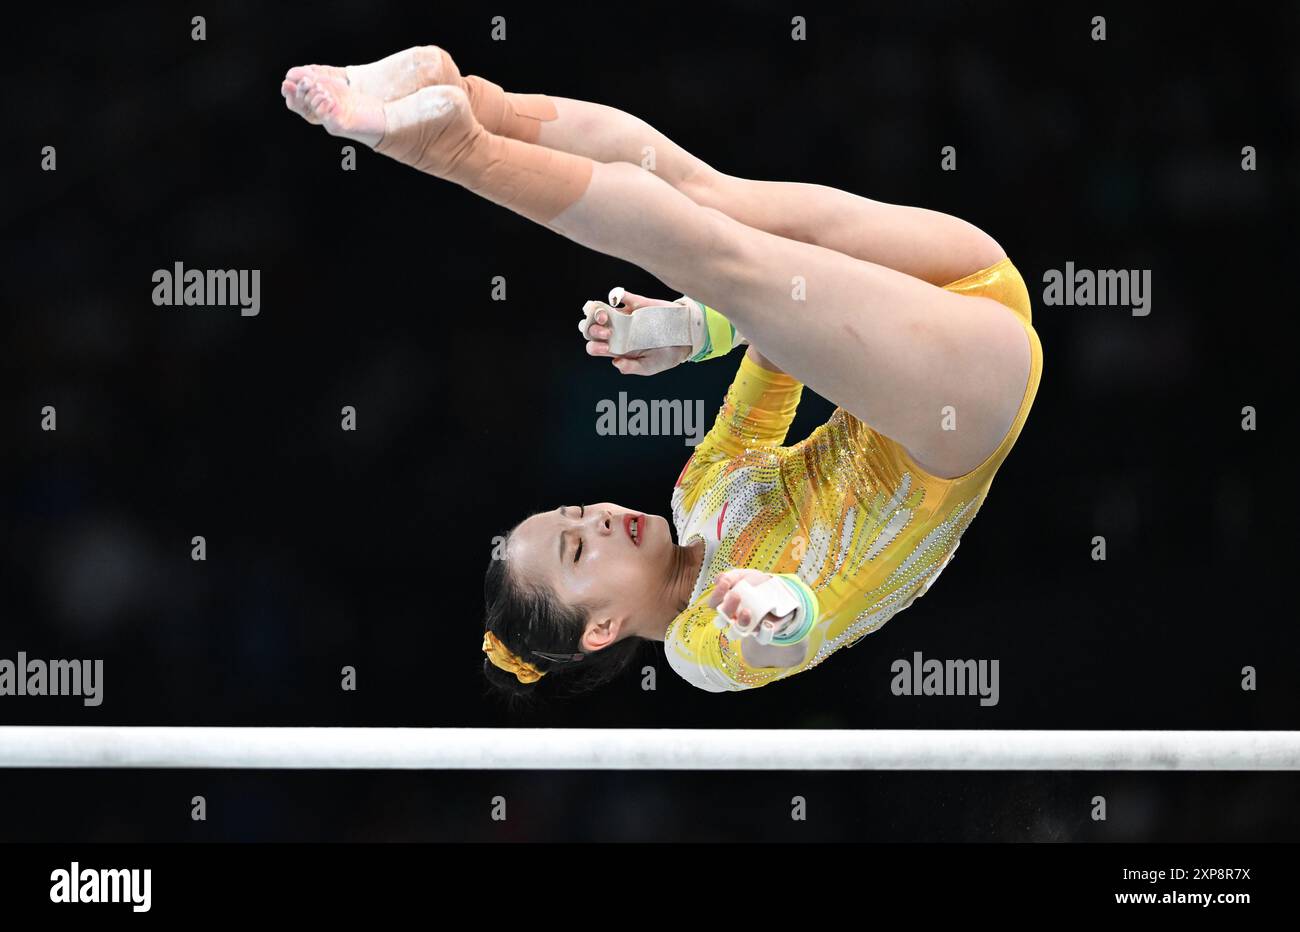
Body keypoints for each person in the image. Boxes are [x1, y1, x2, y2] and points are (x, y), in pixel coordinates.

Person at [281, 45, 1043, 698]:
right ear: (603, 629)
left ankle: (473, 101)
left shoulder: (700, 492)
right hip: (963, 404)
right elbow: (781, 643)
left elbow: (779, 339)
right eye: (579, 549)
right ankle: (456, 151)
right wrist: (780, 609)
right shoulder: (699, 651)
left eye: (575, 515)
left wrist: (692, 331)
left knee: (710, 204)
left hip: (962, 285)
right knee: (714, 254)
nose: (599, 519)